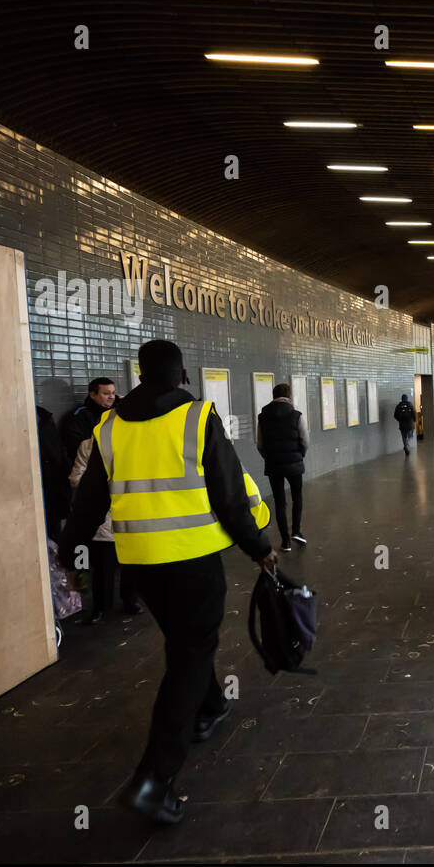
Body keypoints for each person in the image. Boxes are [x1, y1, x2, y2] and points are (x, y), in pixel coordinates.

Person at [63, 339, 276, 824]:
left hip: (140, 565)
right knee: (187, 657)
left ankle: (212, 706)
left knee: (186, 643)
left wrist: (71, 554)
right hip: (193, 561)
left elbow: (89, 501)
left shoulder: (110, 426)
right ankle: (153, 782)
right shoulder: (198, 417)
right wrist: (259, 548)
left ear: (139, 374)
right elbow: (228, 494)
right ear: (181, 374)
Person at [69, 437, 140, 623]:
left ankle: (130, 601)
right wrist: (101, 485)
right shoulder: (88, 445)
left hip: (130, 514)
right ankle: (101, 608)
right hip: (102, 518)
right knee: (103, 568)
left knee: (132, 565)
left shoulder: (133, 442)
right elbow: (75, 477)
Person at [256, 382, 308, 552]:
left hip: (273, 464)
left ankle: (285, 541)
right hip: (294, 464)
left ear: (273, 396)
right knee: (297, 497)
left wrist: (268, 457)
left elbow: (260, 444)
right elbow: (305, 441)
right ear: (289, 396)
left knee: (279, 502)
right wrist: (299, 456)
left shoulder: (262, 417)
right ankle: (296, 532)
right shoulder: (296, 415)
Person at [60, 377, 116, 464]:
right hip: (93, 466)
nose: (111, 397)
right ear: (93, 395)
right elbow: (75, 447)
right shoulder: (79, 417)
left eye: (113, 393)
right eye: (106, 393)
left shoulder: (118, 413)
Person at [36, 405, 71, 543]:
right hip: (36, 483)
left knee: (53, 531)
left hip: (53, 483)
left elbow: (57, 449)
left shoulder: (44, 416)